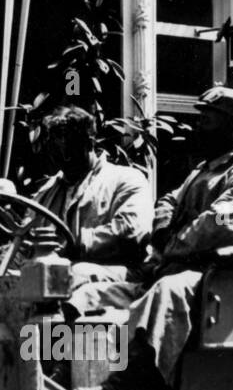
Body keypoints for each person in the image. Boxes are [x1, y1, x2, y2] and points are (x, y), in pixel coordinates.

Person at [72, 86, 233, 390]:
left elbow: (220, 223)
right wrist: (164, 229)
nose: (196, 126)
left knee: (167, 291)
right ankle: (63, 369)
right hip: (171, 267)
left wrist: (172, 245)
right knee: (88, 293)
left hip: (209, 277)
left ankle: (118, 389)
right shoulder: (202, 172)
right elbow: (166, 201)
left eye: (207, 120)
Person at [31, 106, 153, 278]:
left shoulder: (126, 179)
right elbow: (26, 236)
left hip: (115, 275)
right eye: (54, 146)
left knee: (76, 273)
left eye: (69, 146)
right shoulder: (46, 193)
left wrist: (74, 244)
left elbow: (131, 232)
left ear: (89, 143)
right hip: (55, 275)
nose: (61, 154)